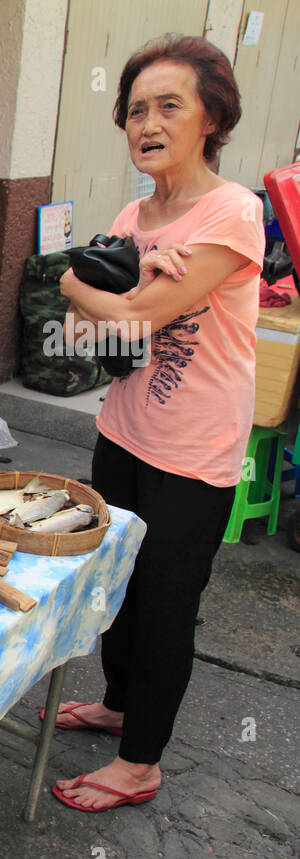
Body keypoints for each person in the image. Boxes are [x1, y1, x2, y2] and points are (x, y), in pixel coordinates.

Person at [52, 34, 263, 812]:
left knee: (169, 600)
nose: (148, 122)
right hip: (125, 429)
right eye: (136, 108)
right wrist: (108, 291)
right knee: (121, 585)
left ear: (212, 116)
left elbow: (130, 310)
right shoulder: (135, 213)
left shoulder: (233, 212)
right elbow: (89, 334)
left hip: (195, 451)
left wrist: (85, 282)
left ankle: (141, 762)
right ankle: (117, 703)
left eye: (169, 105)